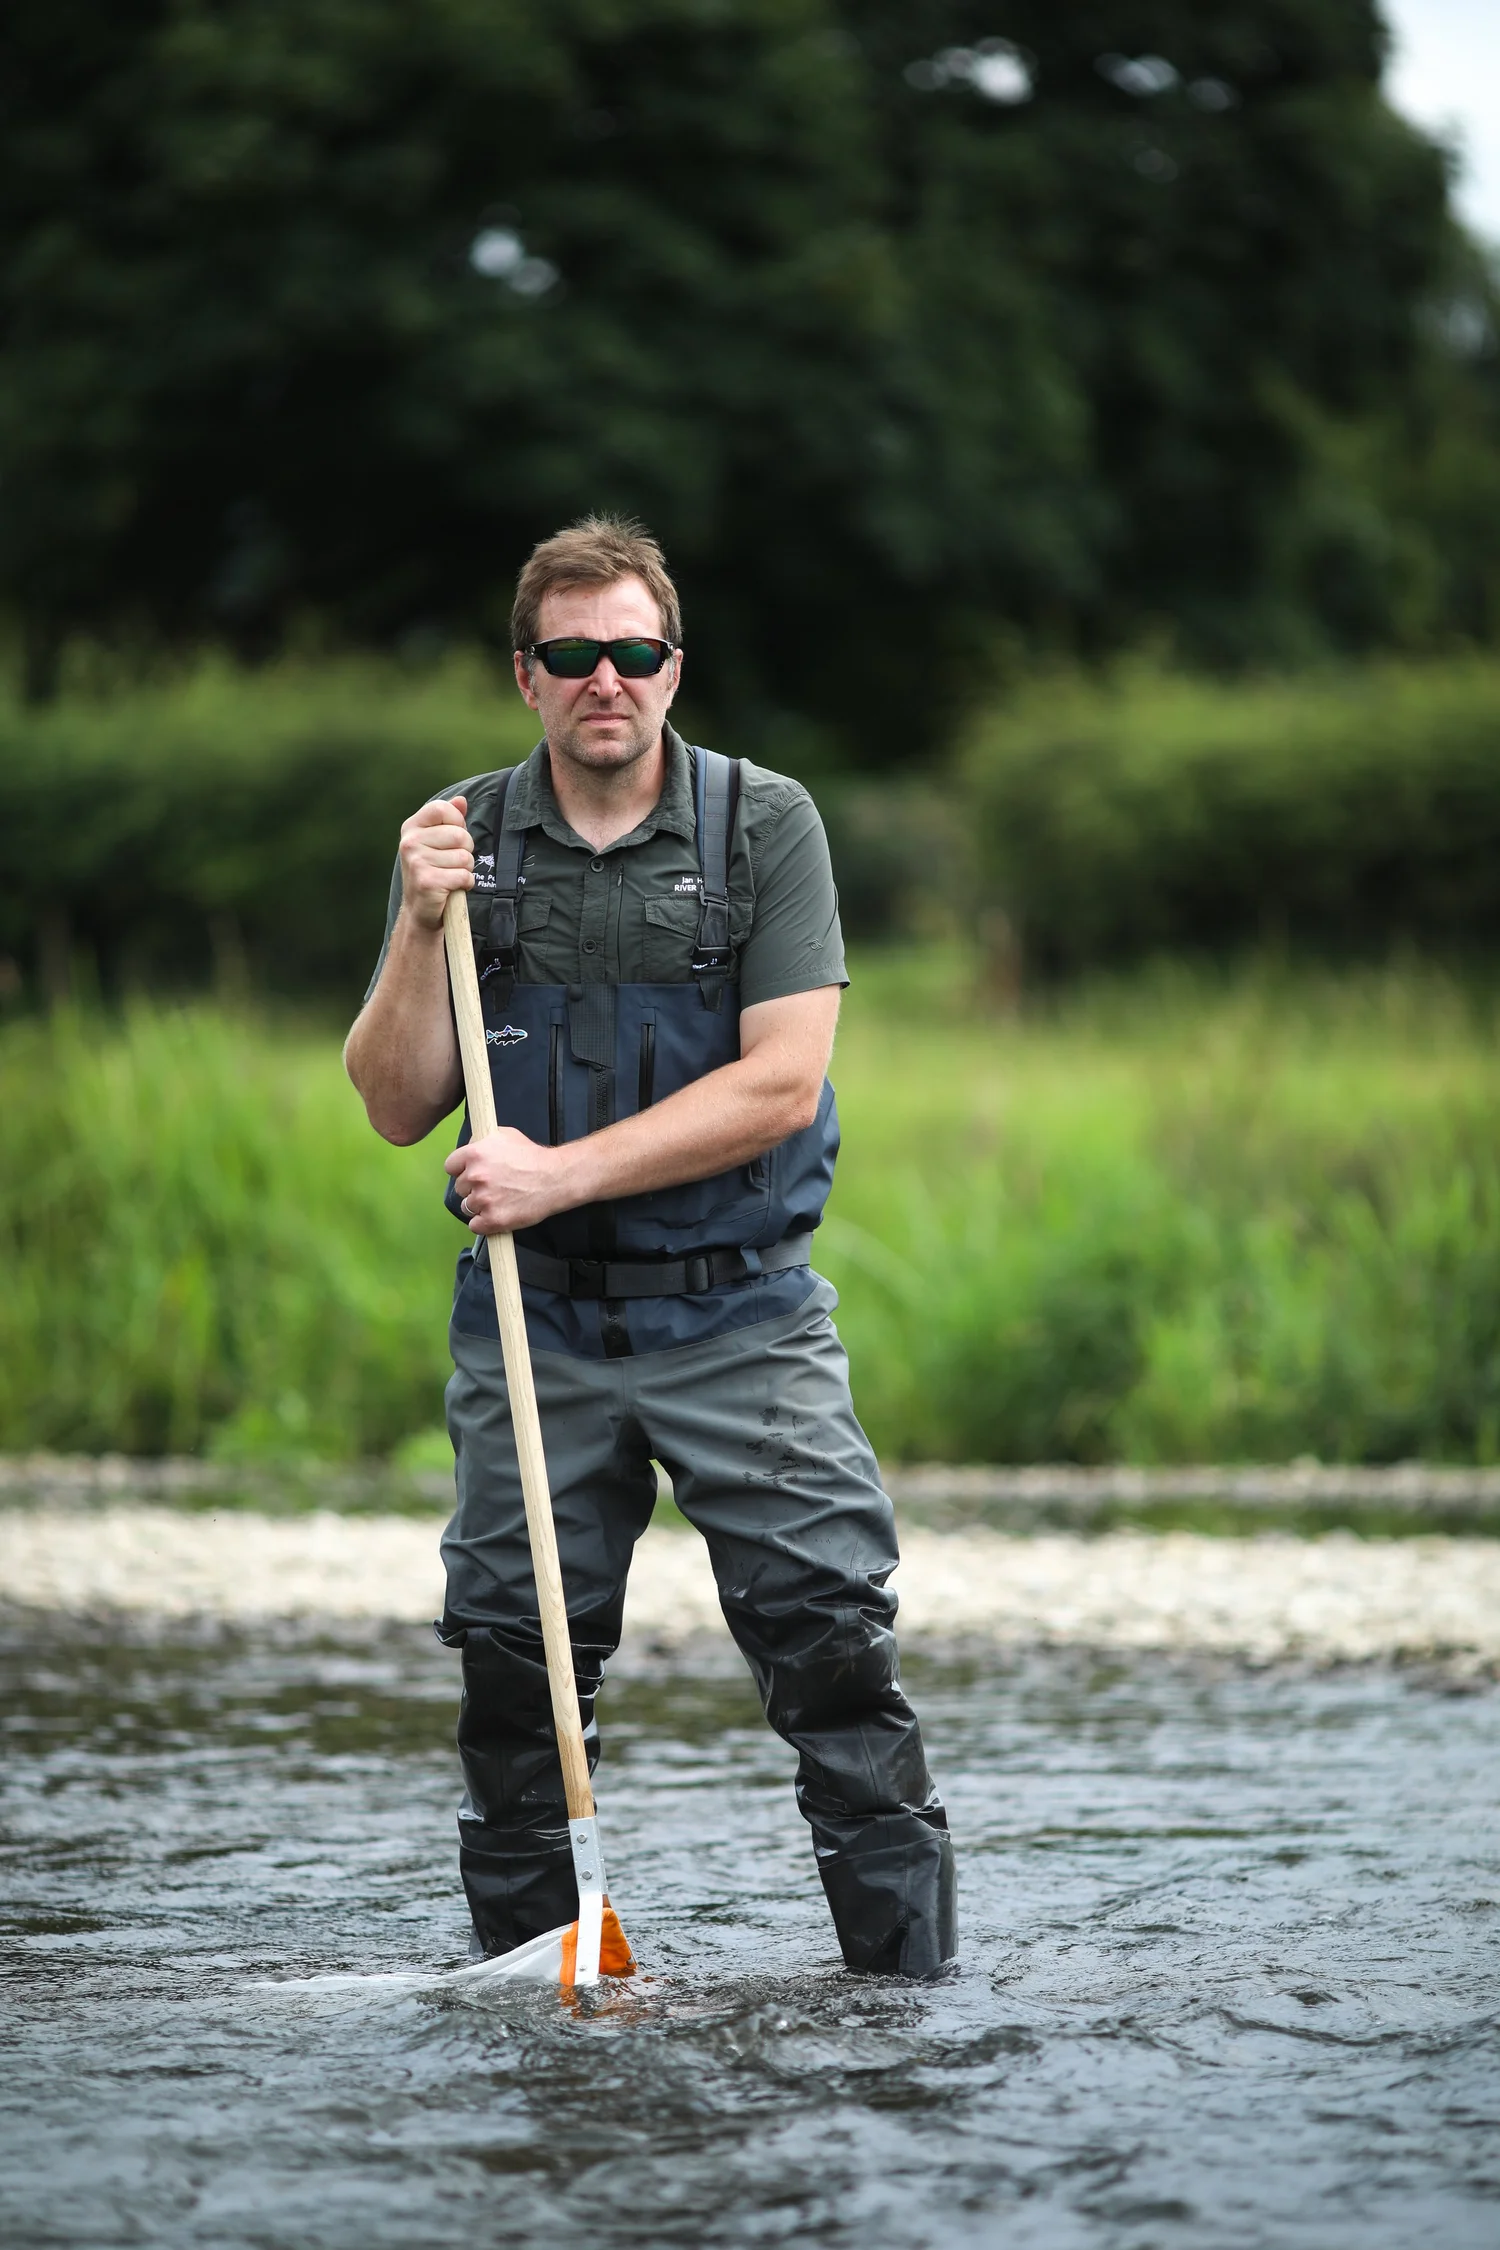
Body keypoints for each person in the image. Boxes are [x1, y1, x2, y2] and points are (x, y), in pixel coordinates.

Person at [344, 515, 956, 1978]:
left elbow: (780, 1083)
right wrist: (423, 928)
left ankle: (906, 2012)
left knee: (833, 1658)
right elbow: (391, 1100)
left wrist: (558, 1172)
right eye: (572, 654)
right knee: (516, 1674)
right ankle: (540, 1993)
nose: (603, 677)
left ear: (675, 667)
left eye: (632, 650)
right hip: (534, 1322)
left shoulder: (765, 824)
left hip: (741, 1315)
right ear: (526, 673)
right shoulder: (460, 838)